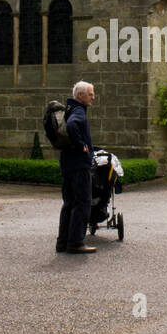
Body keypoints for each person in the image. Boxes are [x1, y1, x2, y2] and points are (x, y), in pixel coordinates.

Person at [56, 81, 96, 254]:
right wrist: (81, 146)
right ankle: (76, 242)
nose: (93, 97)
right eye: (90, 94)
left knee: (69, 203)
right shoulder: (78, 111)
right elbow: (72, 125)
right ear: (80, 95)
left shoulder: (69, 108)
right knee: (83, 203)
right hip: (79, 165)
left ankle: (62, 242)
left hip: (67, 164)